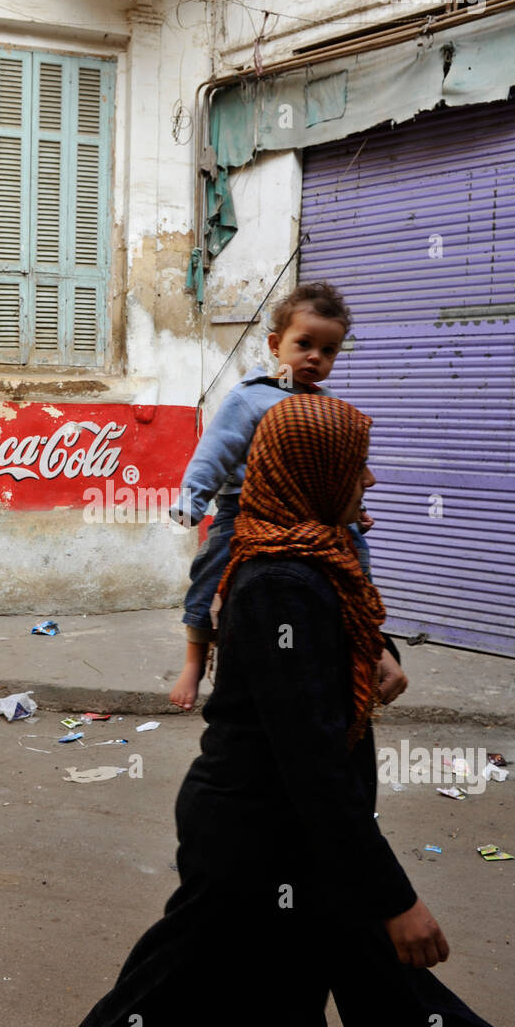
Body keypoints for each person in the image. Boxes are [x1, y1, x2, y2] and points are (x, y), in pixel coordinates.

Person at [37, 393, 509, 1027]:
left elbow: (344, 632)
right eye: (357, 465)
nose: (373, 481)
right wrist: (399, 896)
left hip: (305, 818)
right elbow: (312, 761)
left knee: (368, 959)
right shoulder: (278, 581)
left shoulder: (314, 551)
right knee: (196, 964)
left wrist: (378, 650)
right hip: (254, 825)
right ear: (316, 470)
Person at [168, 281, 377, 712]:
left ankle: (368, 642)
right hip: (244, 508)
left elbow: (340, 470)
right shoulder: (250, 399)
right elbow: (214, 452)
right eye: (305, 344)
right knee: (210, 573)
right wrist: (192, 501)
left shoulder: (328, 403)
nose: (316, 357)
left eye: (330, 350)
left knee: (356, 559)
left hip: (311, 515)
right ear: (275, 345)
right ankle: (193, 660)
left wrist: (357, 512)